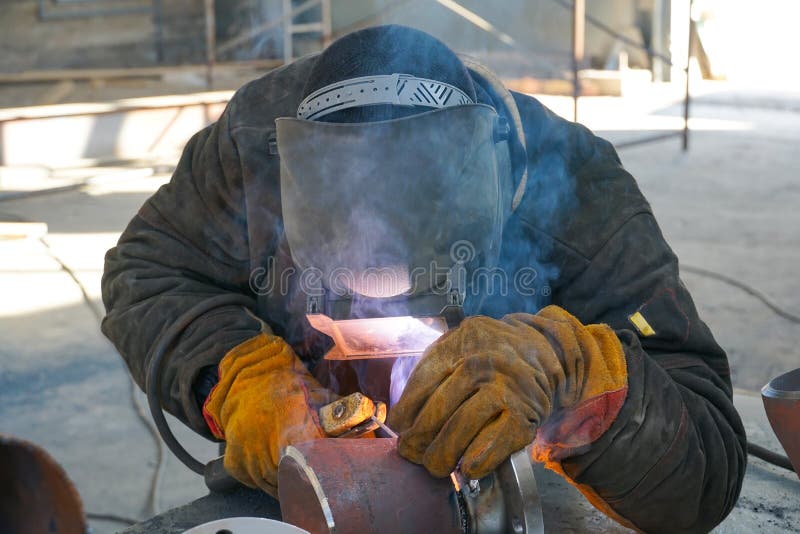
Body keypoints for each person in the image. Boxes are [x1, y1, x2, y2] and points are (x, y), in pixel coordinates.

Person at [102, 25, 746, 532]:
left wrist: (575, 378)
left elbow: (707, 469)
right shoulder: (250, 148)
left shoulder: (578, 190)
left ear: (492, 183)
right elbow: (149, 271)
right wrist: (236, 377)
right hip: (307, 490)